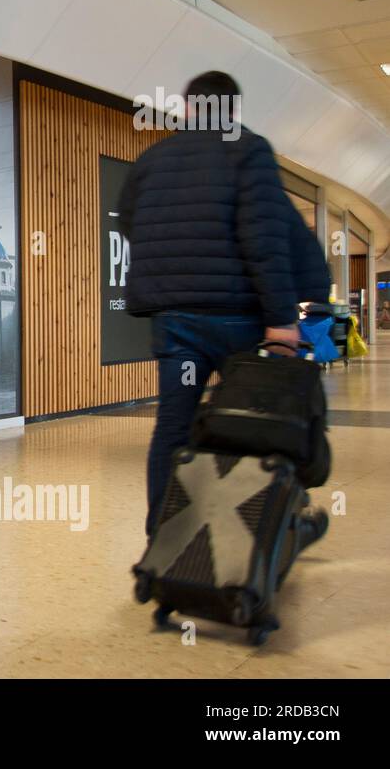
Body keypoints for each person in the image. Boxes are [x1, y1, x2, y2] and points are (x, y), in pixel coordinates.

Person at [118, 71, 329, 546]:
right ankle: (252, 541)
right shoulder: (247, 150)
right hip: (239, 319)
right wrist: (280, 320)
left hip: (175, 322)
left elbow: (134, 225)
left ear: (189, 108)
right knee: (255, 425)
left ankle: (164, 544)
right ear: (232, 110)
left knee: (172, 429)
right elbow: (266, 241)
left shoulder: (153, 159)